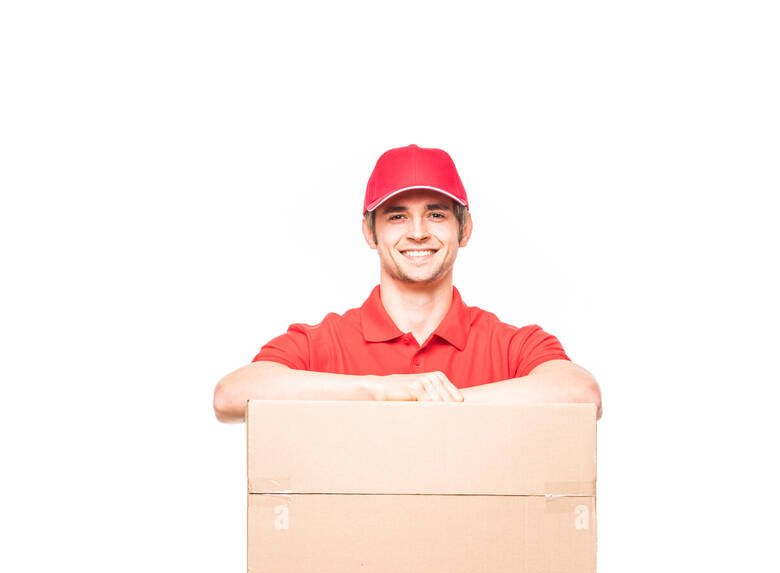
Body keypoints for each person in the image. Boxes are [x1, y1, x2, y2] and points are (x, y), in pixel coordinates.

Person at [213, 144, 601, 419]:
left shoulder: (511, 345)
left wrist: (443, 403)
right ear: (370, 233)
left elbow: (581, 394)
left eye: (435, 215)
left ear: (464, 230)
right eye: (397, 216)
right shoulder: (324, 343)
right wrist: (382, 390)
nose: (417, 232)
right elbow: (231, 395)